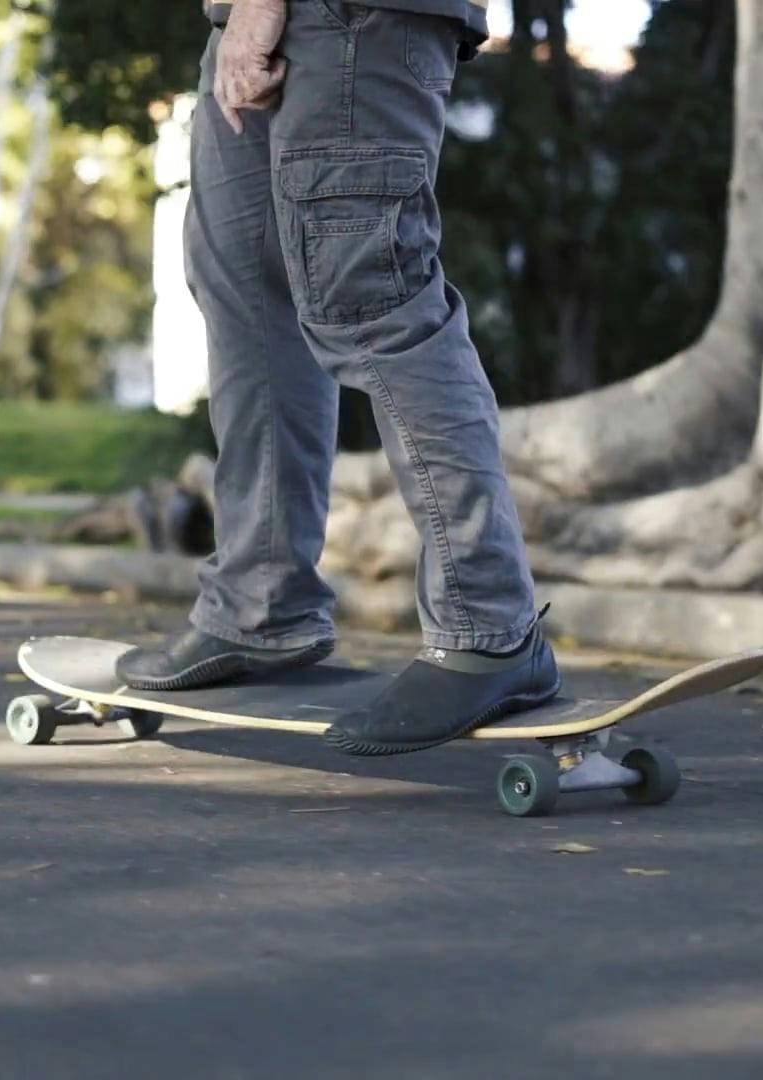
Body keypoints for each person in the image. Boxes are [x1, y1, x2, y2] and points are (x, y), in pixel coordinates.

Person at [117, 0, 561, 756]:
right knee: (248, 299)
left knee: (376, 302)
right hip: (261, 18)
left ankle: (488, 624)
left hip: (349, 17)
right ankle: (259, 607)